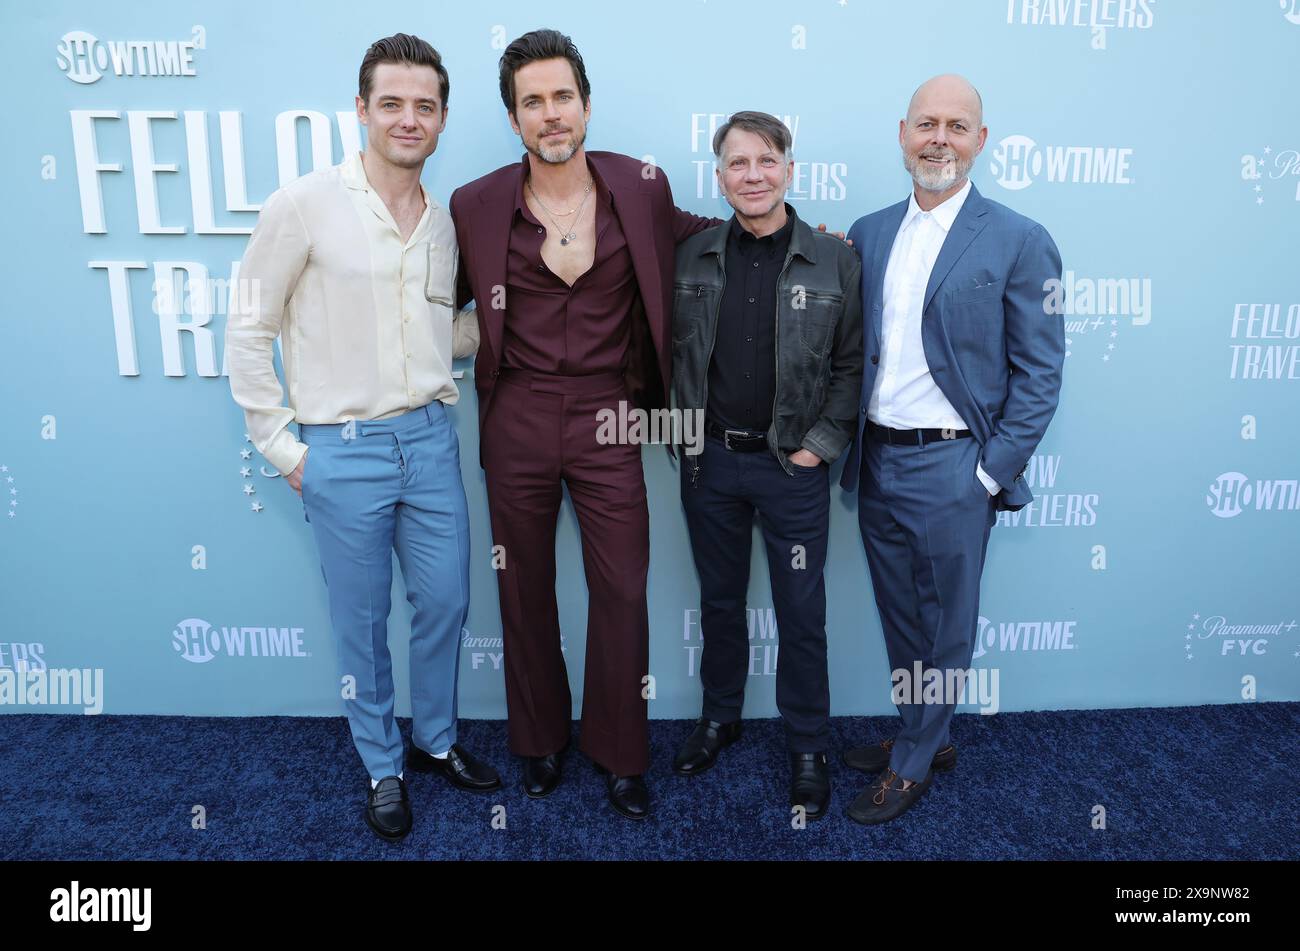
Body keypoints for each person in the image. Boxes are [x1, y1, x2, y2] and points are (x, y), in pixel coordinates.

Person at [226, 33, 498, 842]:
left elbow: (438, 334)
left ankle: (435, 740)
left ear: (442, 118)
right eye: (392, 104)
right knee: (361, 620)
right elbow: (248, 328)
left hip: (431, 440)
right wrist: (286, 449)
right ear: (361, 110)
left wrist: (519, 319)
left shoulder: (444, 223)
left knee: (446, 600)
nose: (408, 119)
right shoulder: (302, 204)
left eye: (425, 106)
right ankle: (383, 765)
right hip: (340, 451)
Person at [449, 28, 717, 820]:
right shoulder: (475, 203)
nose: (551, 113)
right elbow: (429, 293)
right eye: (532, 102)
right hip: (517, 412)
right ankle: (538, 740)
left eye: (562, 96)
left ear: (587, 105)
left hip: (612, 415)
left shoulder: (640, 185)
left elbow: (700, 235)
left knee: (622, 586)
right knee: (522, 584)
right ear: (514, 119)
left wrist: (801, 238)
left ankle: (620, 751)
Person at [839, 74, 1065, 824]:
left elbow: (1040, 372)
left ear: (981, 140)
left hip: (954, 466)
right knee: (901, 615)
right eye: (927, 123)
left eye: (957, 126)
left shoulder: (1020, 238)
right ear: (903, 134)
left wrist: (989, 473)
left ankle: (912, 762)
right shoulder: (870, 231)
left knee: (945, 625)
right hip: (876, 458)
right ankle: (923, 734)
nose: (940, 138)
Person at [669, 112, 863, 821]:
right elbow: (663, 347)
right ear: (719, 176)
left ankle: (808, 745)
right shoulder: (689, 256)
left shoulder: (835, 260)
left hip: (792, 469)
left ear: (789, 170)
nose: (753, 175)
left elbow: (852, 365)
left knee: (801, 612)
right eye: (737, 163)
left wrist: (819, 447)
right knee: (720, 603)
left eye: (766, 160)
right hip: (711, 463)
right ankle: (719, 718)